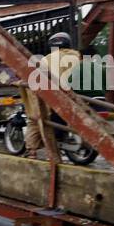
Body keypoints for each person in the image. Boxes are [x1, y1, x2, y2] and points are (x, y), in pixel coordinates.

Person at [23, 32, 81, 160]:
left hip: (52, 99)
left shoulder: (46, 60)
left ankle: (31, 151)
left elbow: (36, 78)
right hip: (73, 98)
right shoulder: (76, 57)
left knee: (34, 118)